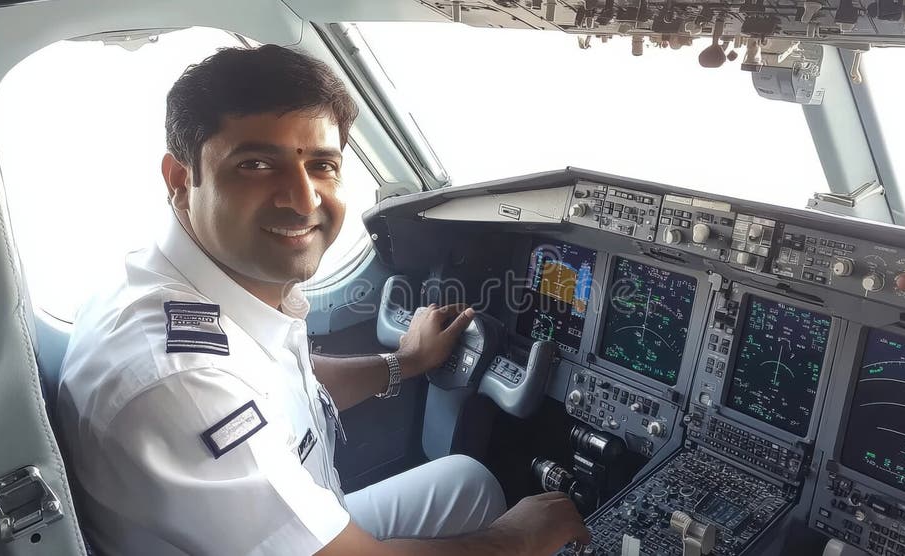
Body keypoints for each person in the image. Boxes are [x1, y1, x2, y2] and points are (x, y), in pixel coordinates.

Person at [56, 44, 589, 556]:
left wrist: (404, 363)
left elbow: (278, 379)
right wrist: (519, 541)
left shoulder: (169, 282)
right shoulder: (181, 383)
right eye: (256, 165)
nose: (304, 198)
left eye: (322, 165)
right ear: (180, 178)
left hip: (290, 525)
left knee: (465, 482)